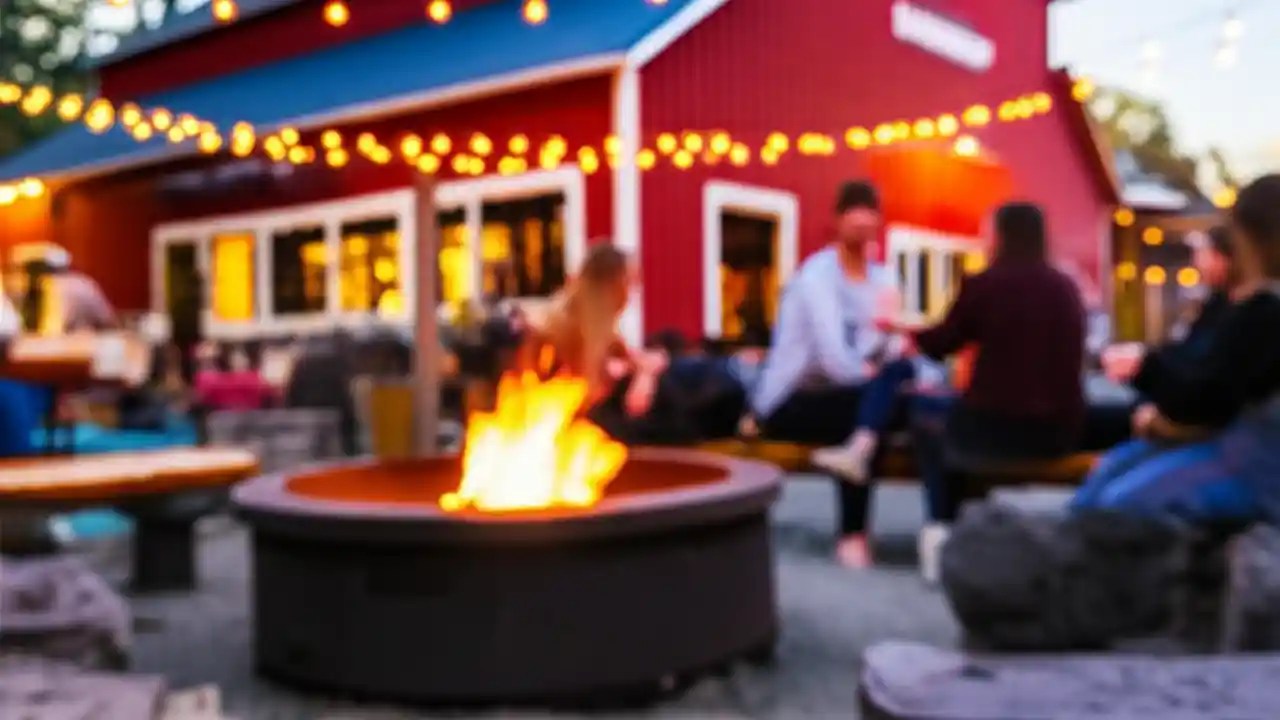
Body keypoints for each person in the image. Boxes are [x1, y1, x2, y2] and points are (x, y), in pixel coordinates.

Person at [894, 202, 1086, 582]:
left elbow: (940, 343)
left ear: (1001, 236)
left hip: (993, 431)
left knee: (926, 417)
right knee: (950, 416)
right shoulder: (1065, 288)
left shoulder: (986, 285)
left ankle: (943, 525)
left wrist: (903, 328)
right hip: (1059, 434)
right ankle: (965, 529)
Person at [1072, 176, 1280, 524]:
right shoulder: (1251, 306)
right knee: (1105, 486)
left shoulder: (1266, 311)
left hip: (1255, 466)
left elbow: (1207, 398)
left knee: (1114, 506)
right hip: (1233, 448)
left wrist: (1146, 373)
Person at [739, 180, 912, 569]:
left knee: (895, 377)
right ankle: (853, 533)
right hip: (790, 399)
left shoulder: (882, 279)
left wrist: (886, 344)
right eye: (855, 224)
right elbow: (834, 359)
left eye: (870, 225)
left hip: (845, 392)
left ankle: (859, 453)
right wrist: (879, 370)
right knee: (866, 407)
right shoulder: (815, 277)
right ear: (838, 223)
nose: (864, 232)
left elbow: (880, 350)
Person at [532, 243, 674, 442]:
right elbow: (596, 397)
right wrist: (643, 376)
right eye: (630, 282)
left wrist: (641, 370)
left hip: (577, 420)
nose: (632, 292)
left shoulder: (594, 321)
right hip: (571, 427)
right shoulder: (572, 327)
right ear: (615, 284)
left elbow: (633, 359)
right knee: (668, 400)